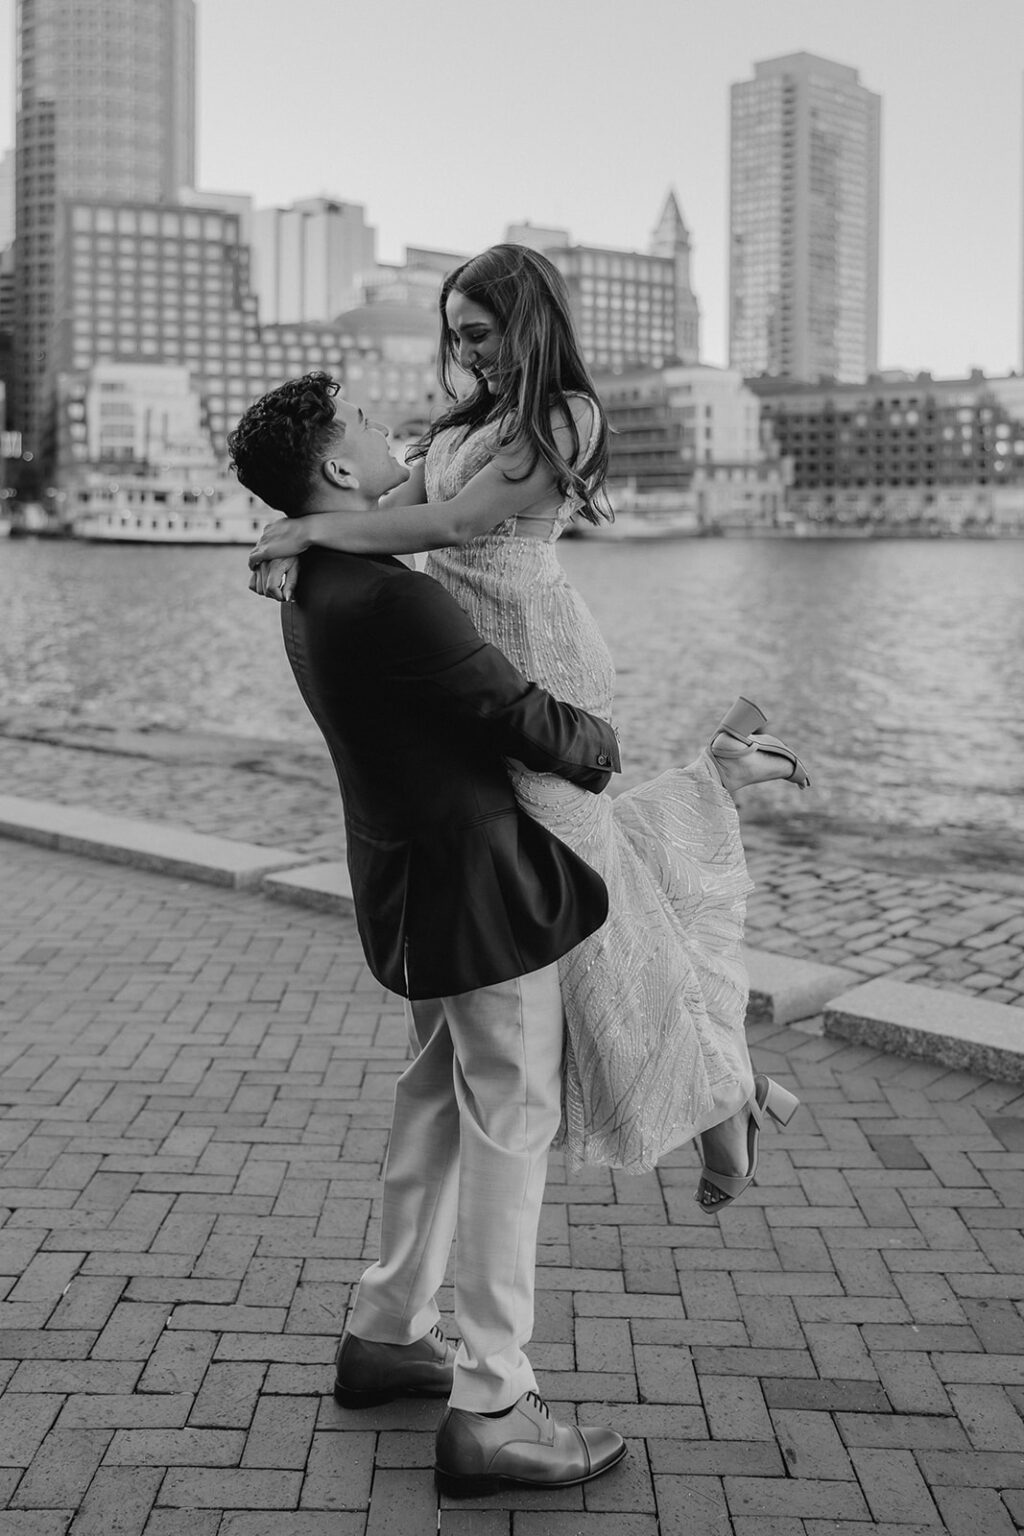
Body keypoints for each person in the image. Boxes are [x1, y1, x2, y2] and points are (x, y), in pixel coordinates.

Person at [248, 244, 804, 1210]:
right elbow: (401, 511)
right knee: (593, 893)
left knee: (591, 914)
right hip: (475, 665)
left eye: (482, 332)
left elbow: (457, 528)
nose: (469, 352)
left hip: (542, 660)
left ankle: (723, 1106)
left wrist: (307, 530)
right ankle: (732, 1090)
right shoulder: (468, 418)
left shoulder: (566, 414)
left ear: (529, 321)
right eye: (456, 336)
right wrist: (301, 525)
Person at [228, 375, 627, 1496]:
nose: (389, 430)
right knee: (511, 1117)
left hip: (407, 877)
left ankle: (390, 1326)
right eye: (365, 424)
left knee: (433, 1098)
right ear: (342, 471)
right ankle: (494, 1400)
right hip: (476, 888)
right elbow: (506, 708)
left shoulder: (311, 578)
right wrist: (601, 743)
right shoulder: (388, 595)